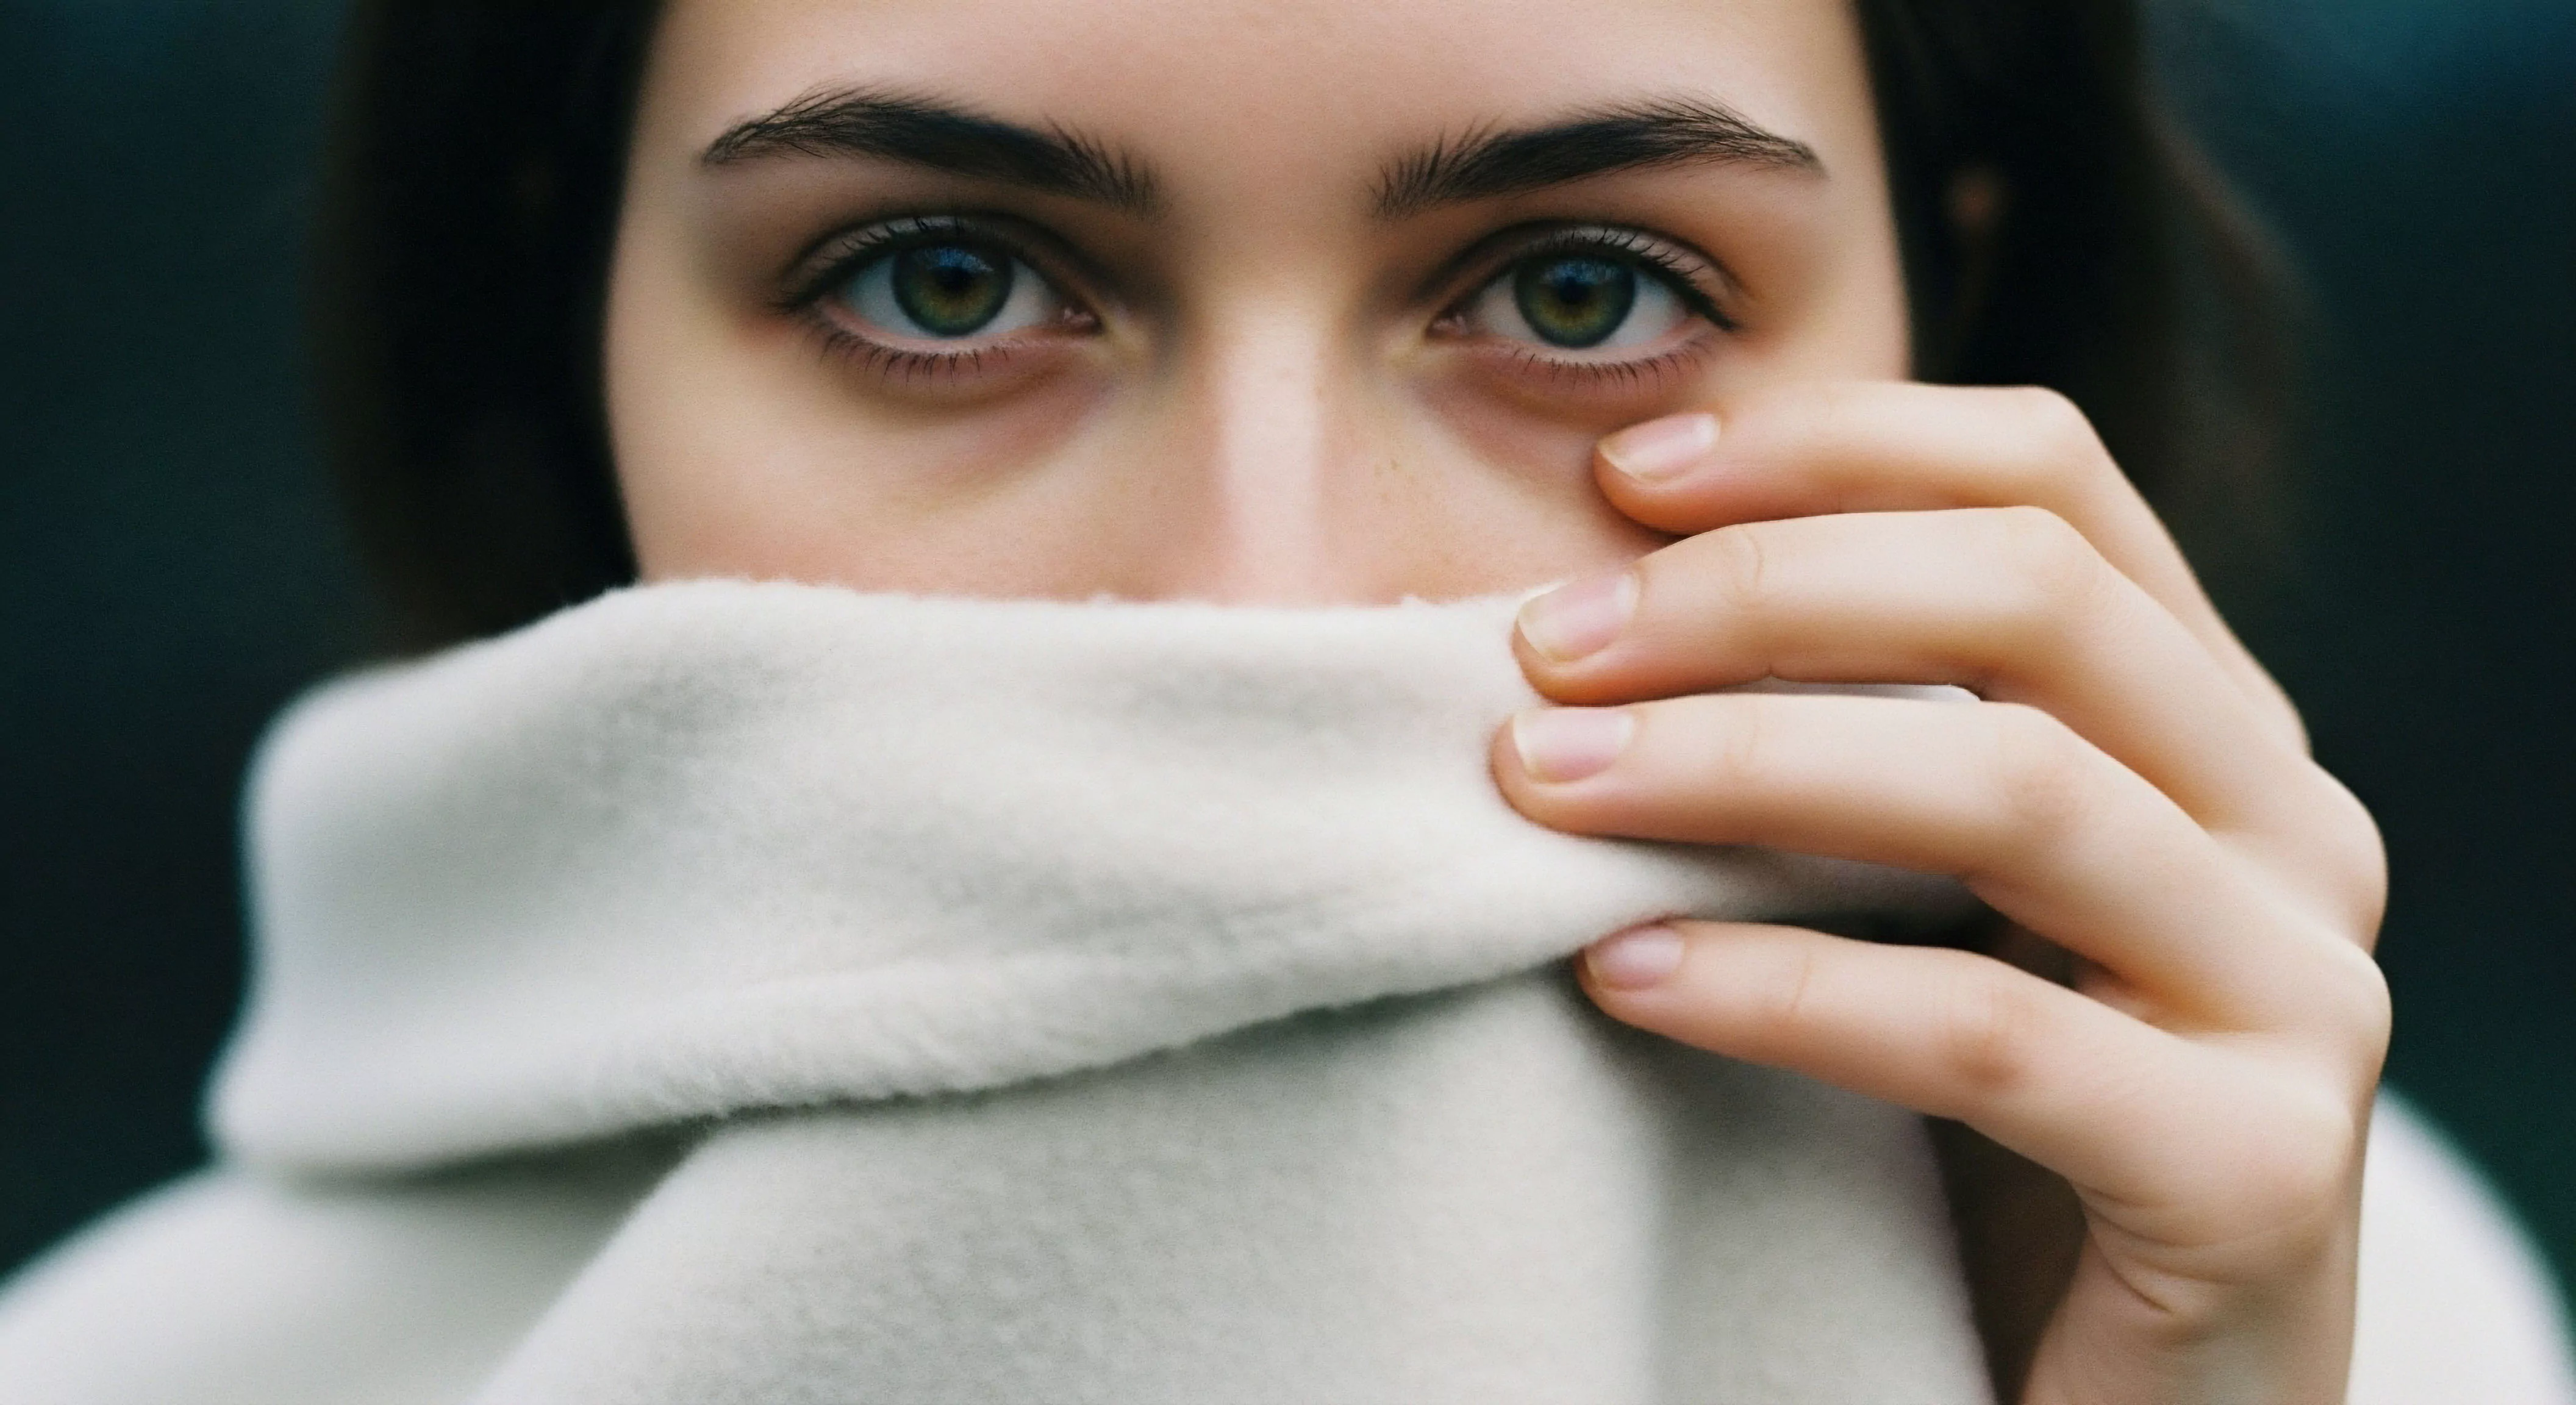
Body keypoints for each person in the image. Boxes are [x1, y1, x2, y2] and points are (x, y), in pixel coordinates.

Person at [0, 1, 2568, 1401]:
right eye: (941, 282)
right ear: (574, 322)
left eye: (1578, 293)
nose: (1268, 595)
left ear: (1950, 305)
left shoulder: (2353, 1329)